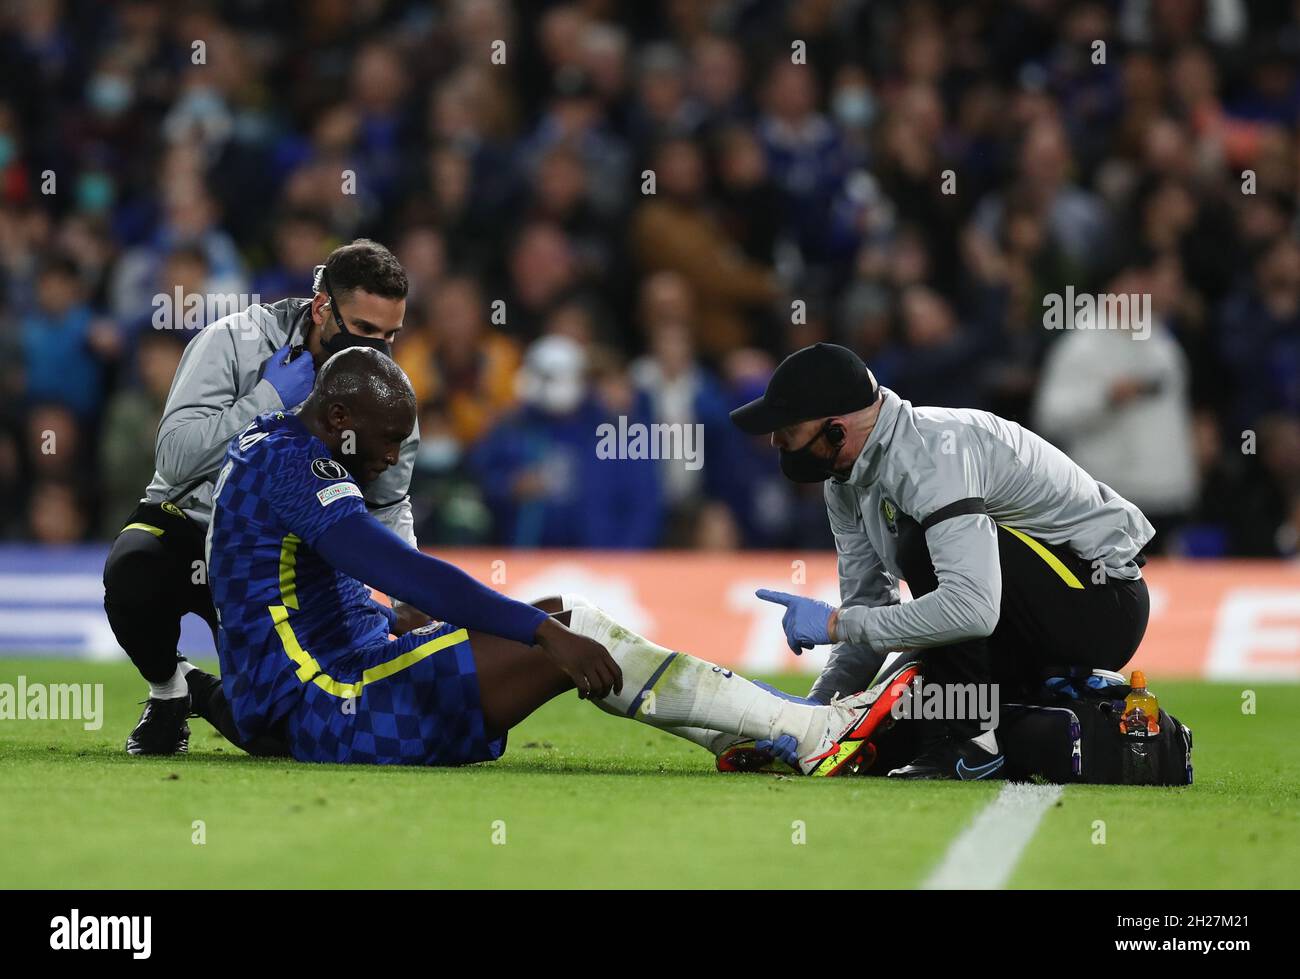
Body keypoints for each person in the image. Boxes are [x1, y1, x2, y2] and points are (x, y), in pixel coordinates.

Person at [186, 347, 877, 776]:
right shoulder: (293, 468)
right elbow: (408, 570)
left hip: (333, 686)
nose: (392, 457)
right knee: (569, 630)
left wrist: (392, 613)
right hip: (336, 708)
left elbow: (294, 590)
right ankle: (804, 729)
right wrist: (542, 636)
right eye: (385, 439)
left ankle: (764, 737)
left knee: (555, 618)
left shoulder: (275, 447)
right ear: (337, 414)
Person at [732, 343, 1153, 780]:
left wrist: (837, 624)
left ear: (836, 430)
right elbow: (872, 607)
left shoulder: (932, 453)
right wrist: (815, 713)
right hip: (1014, 620)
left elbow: (969, 607)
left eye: (787, 428)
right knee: (874, 741)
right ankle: (977, 725)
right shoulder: (845, 481)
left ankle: (969, 738)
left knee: (920, 545)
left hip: (1100, 602)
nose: (775, 440)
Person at [102, 239, 424, 755]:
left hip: (288, 560)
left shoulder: (383, 391)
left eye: (391, 335)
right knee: (133, 574)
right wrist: (268, 399)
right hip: (192, 523)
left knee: (279, 738)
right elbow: (175, 459)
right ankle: (167, 685)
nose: (378, 349)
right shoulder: (232, 340)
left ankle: (197, 692)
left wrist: (412, 596)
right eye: (364, 330)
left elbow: (387, 505)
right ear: (323, 308)